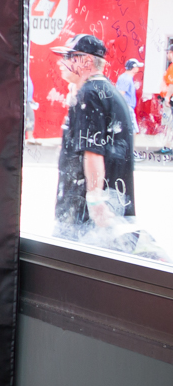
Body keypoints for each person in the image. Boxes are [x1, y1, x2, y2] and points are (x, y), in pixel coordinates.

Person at [52, 33, 135, 238]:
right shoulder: (103, 89)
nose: (61, 62)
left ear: (87, 61)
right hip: (109, 203)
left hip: (84, 215)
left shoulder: (89, 94)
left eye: (69, 57)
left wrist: (96, 201)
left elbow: (93, 151)